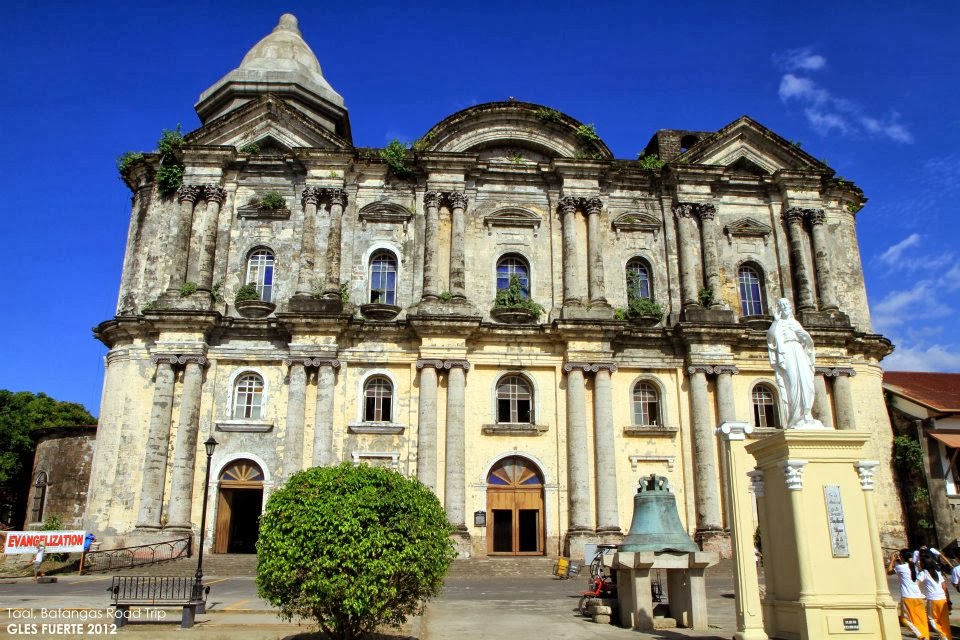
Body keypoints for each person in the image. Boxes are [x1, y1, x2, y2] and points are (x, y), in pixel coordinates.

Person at [766, 298, 823, 429]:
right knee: (792, 382)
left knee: (806, 382)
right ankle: (796, 416)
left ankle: (807, 415)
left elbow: (806, 338)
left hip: (798, 350)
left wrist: (802, 334)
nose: (785, 307)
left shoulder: (795, 323)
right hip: (787, 352)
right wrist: (776, 321)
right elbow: (771, 337)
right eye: (782, 305)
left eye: (787, 304)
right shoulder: (778, 324)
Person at [888, 548, 928, 639]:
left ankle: (920, 635)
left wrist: (892, 561)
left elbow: (889, 572)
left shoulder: (900, 567)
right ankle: (925, 636)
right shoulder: (914, 567)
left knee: (905, 620)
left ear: (901, 557)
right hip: (918, 596)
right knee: (921, 620)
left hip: (908, 597)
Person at [918, 553, 952, 639]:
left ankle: (943, 635)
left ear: (923, 564)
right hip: (942, 598)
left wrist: (921, 595)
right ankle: (947, 637)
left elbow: (916, 585)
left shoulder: (924, 573)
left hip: (933, 599)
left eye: (920, 562)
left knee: (932, 619)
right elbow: (944, 587)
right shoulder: (938, 572)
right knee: (945, 621)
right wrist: (948, 600)